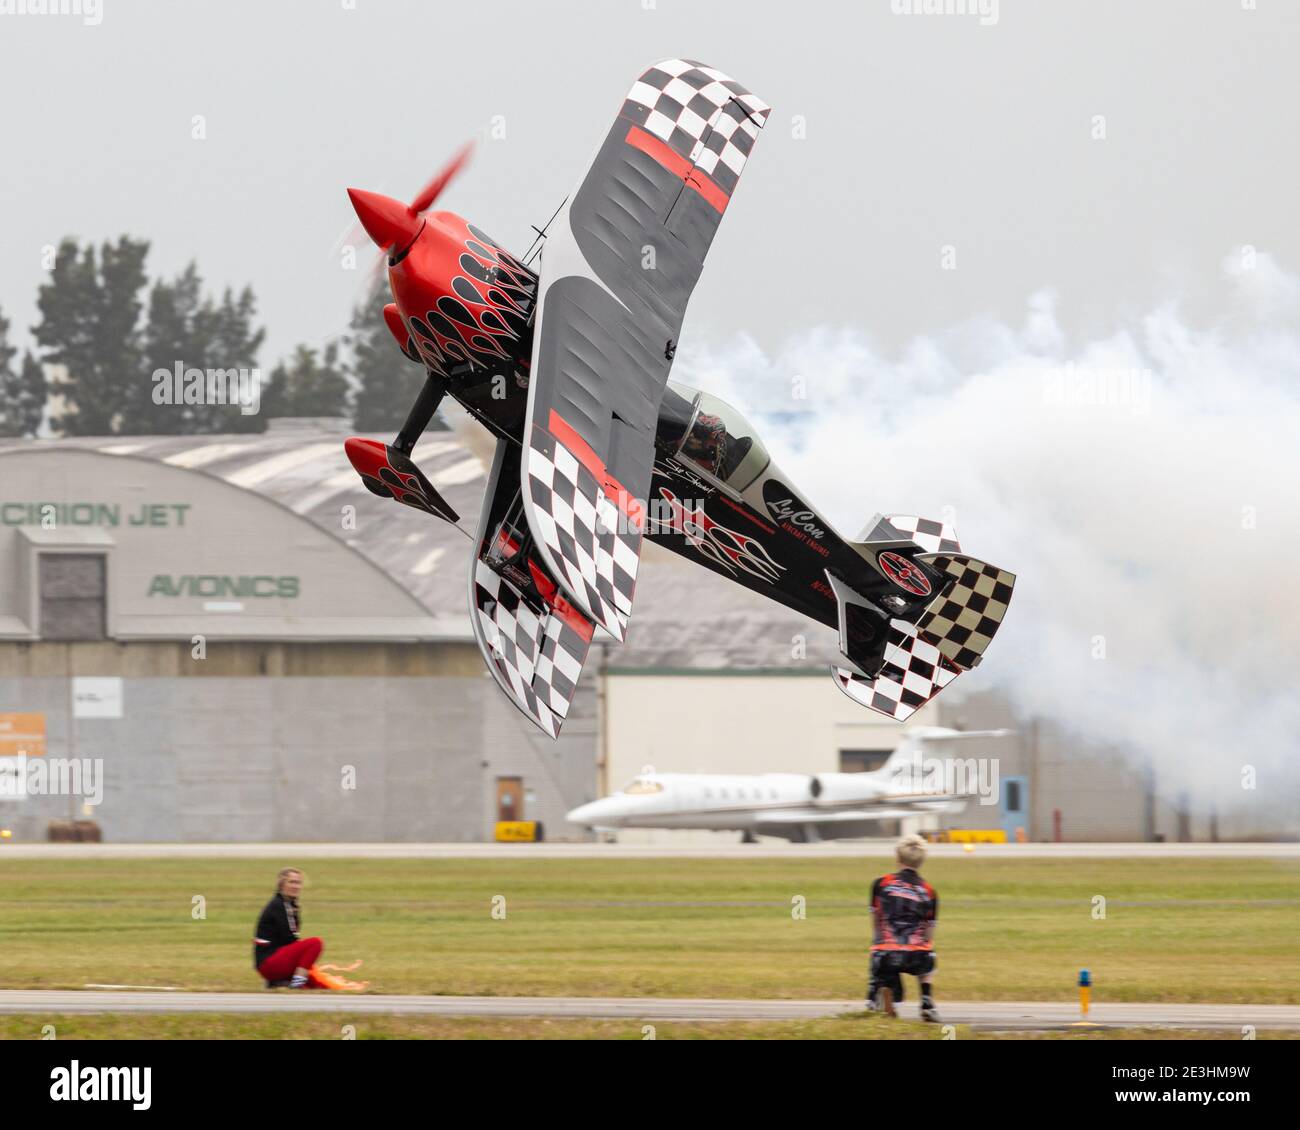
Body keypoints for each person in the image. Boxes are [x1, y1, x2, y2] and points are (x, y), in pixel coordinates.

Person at [865, 834, 940, 1022]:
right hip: (917, 955)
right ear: (921, 862)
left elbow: (876, 921)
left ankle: (878, 996)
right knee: (929, 952)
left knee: (880, 952)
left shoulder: (880, 884)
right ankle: (926, 1000)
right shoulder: (929, 891)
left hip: (886, 954)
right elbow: (929, 932)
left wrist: (882, 943)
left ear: (898, 858)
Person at [253, 867, 324, 989]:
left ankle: (279, 982)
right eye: (291, 882)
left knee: (318, 984)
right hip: (269, 963)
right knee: (315, 943)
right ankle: (297, 984)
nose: (295, 886)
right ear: (282, 884)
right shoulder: (279, 905)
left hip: (274, 960)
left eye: (298, 883)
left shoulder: (289, 905)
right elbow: (290, 938)